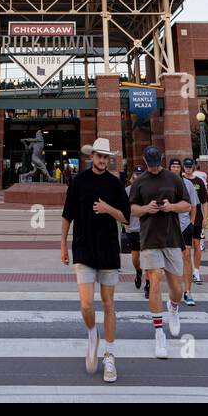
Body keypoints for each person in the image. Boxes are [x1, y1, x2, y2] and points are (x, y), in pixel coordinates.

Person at [61, 137, 130, 383]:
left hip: (109, 251)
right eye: (99, 156)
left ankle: (109, 355)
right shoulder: (78, 182)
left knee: (109, 305)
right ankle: (92, 334)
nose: (102, 160)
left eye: (106, 157)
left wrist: (108, 209)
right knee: (86, 305)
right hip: (83, 249)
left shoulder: (115, 184)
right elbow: (67, 214)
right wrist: (62, 245)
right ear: (91, 157)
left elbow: (126, 218)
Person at [129, 145, 191, 359]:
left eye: (157, 164)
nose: (155, 168)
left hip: (172, 237)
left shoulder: (174, 179)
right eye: (151, 164)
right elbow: (132, 208)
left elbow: (187, 205)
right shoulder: (139, 182)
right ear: (146, 161)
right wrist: (147, 209)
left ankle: (173, 308)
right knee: (155, 279)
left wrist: (170, 207)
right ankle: (158, 333)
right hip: (149, 238)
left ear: (160, 159)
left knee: (176, 285)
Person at [168, 158, 200, 306]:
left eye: (177, 167)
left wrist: (192, 223)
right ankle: (175, 291)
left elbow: (194, 205)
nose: (175, 169)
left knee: (186, 256)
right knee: (172, 259)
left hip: (185, 225)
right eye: (172, 166)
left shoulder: (187, 184)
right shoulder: (164, 184)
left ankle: (188, 292)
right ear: (169, 169)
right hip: (169, 227)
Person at [182, 158, 208, 283]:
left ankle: (196, 271)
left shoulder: (199, 181)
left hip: (197, 217)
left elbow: (205, 201)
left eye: (190, 166)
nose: (188, 168)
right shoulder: (179, 181)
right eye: (186, 166)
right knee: (184, 248)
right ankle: (185, 271)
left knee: (197, 244)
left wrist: (205, 217)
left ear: (193, 167)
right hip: (182, 217)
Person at [123, 166, 145, 295]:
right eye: (137, 174)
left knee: (149, 256)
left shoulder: (149, 188)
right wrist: (125, 223)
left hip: (147, 229)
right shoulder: (127, 190)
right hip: (132, 228)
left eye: (141, 174)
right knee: (136, 257)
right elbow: (123, 208)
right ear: (133, 177)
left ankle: (148, 283)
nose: (138, 176)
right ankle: (138, 271)